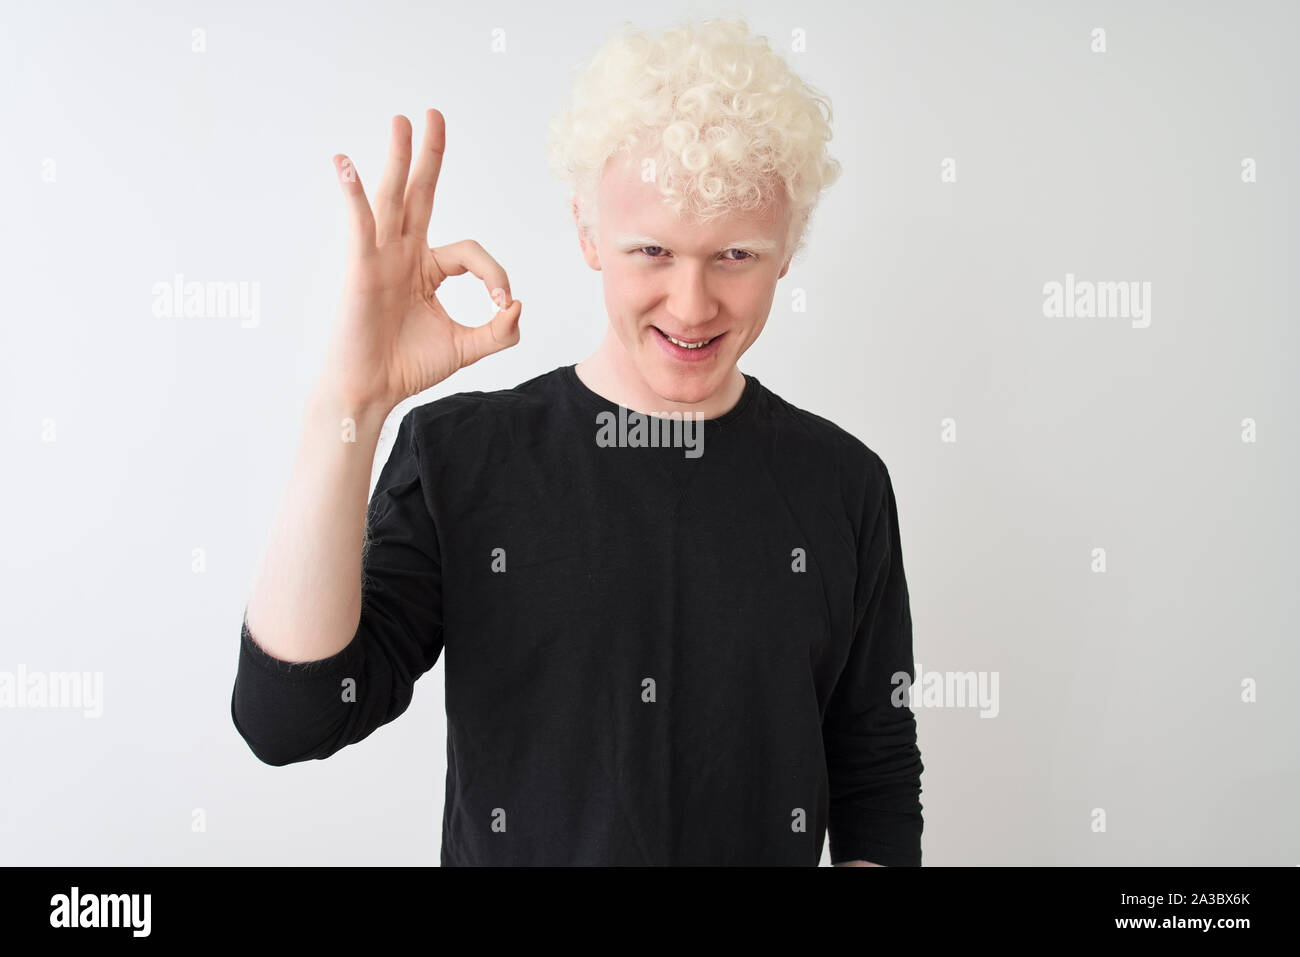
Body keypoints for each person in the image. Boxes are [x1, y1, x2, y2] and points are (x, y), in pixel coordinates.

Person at [231, 16, 923, 866]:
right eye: (652, 250)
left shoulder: (842, 483)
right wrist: (351, 402)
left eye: (736, 254)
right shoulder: (462, 455)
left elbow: (875, 777)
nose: (693, 302)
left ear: (787, 251)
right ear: (589, 233)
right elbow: (289, 719)